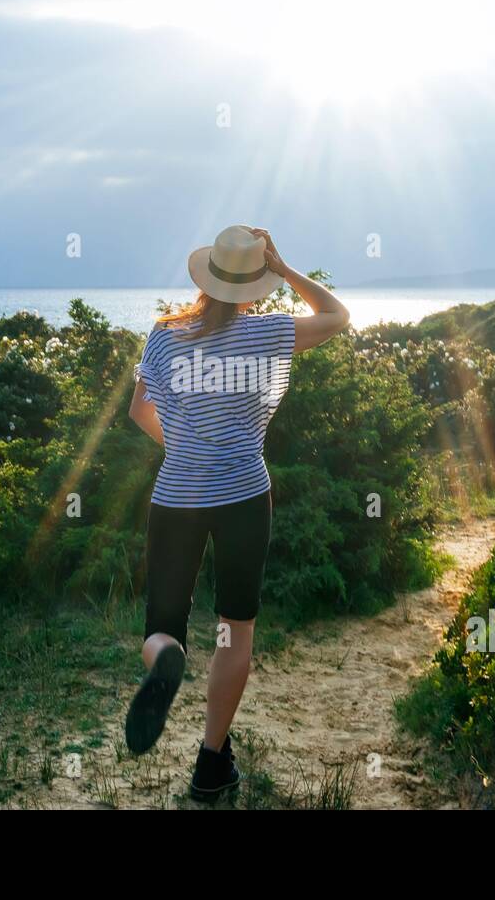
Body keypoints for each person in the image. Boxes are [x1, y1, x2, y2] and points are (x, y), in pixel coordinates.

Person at [124, 224, 350, 802]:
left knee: (161, 624)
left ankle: (165, 658)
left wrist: (180, 448)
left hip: (176, 497)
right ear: (258, 282)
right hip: (244, 497)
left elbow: (138, 407)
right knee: (234, 630)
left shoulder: (165, 336)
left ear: (206, 277)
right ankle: (209, 762)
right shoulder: (268, 332)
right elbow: (336, 316)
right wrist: (287, 265)